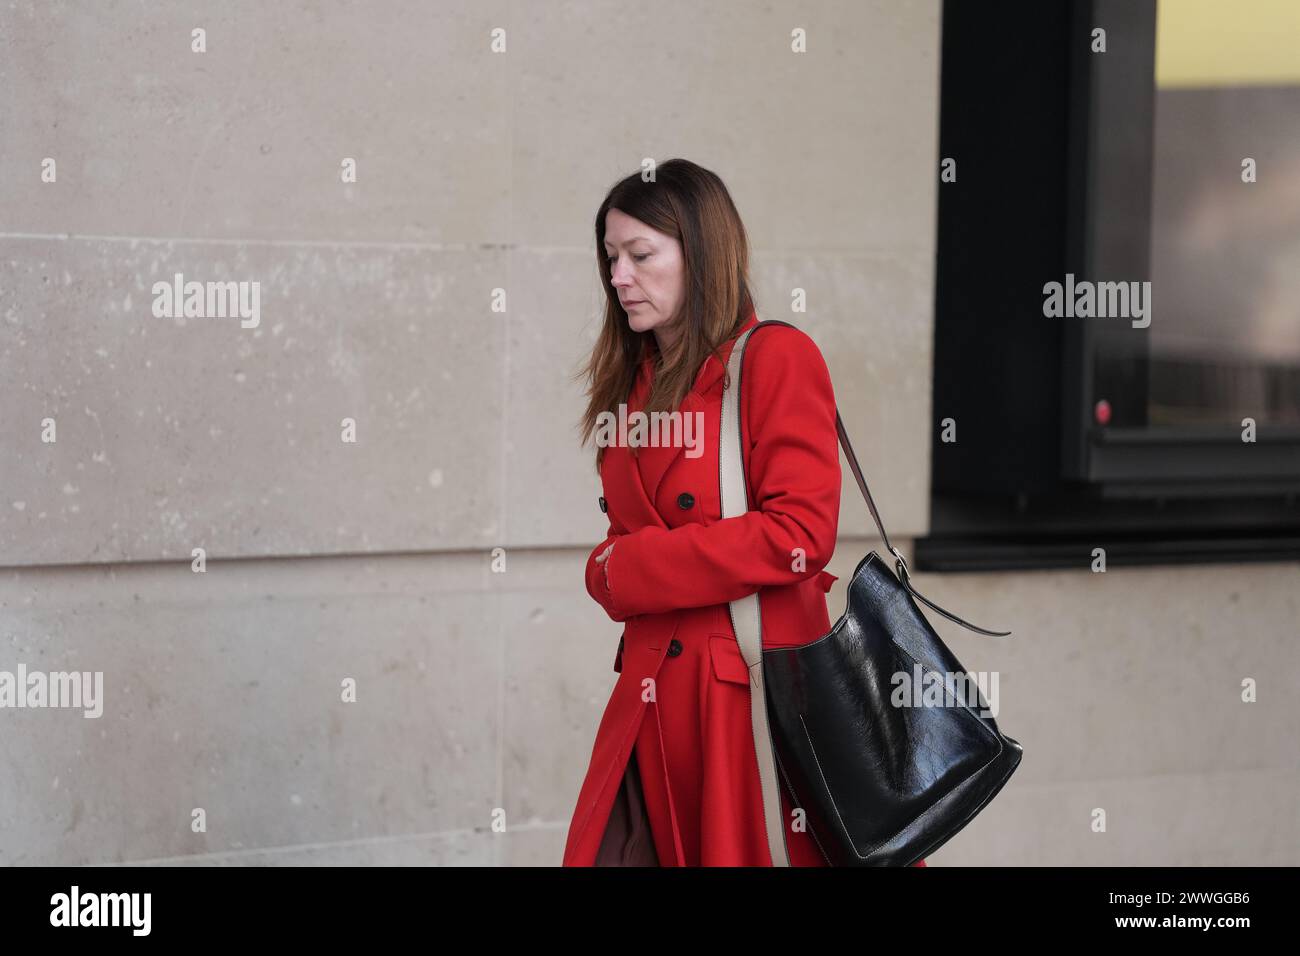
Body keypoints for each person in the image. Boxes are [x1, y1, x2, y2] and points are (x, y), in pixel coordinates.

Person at [563, 158, 926, 868]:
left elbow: (799, 536)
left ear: (701, 254)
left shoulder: (773, 359)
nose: (619, 278)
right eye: (610, 257)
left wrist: (629, 569)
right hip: (654, 697)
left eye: (640, 255)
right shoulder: (632, 380)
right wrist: (615, 568)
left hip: (746, 695)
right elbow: (619, 541)